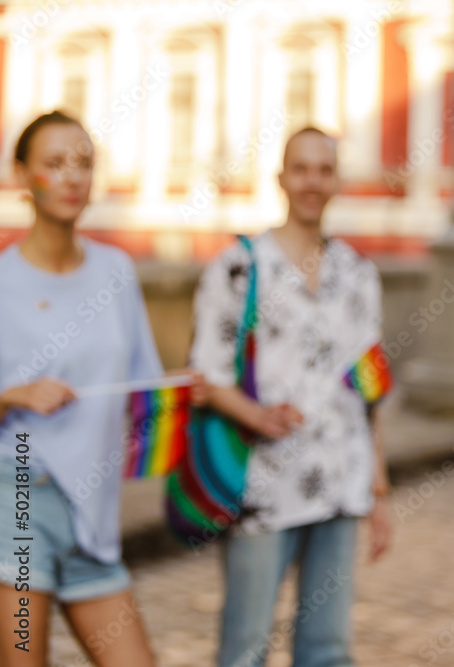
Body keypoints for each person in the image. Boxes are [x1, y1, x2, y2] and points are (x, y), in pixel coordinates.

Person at [0, 111, 204, 666]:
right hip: (18, 506)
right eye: (54, 163)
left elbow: (144, 389)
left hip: (95, 515)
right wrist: (10, 396)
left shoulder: (115, 271)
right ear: (22, 175)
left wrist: (193, 395)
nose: (71, 177)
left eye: (83, 163)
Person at [190, 127, 392, 667]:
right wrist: (256, 414)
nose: (312, 181)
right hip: (262, 481)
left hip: (341, 478)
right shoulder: (240, 265)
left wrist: (379, 485)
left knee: (327, 649)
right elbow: (205, 375)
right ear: (281, 177)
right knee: (245, 646)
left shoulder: (357, 272)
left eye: (324, 170)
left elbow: (367, 386)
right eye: (301, 169)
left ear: (337, 181)